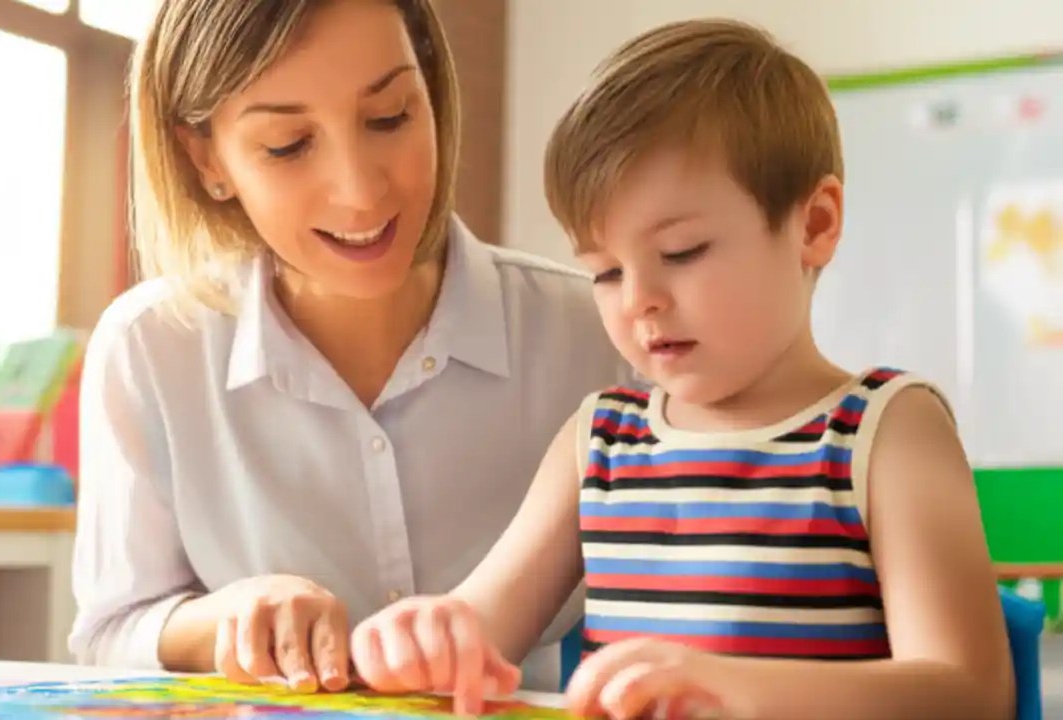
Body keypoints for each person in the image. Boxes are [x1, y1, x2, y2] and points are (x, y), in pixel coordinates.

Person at [351, 19, 1015, 720]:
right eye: (606, 272)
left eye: (682, 252)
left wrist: (734, 689)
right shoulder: (598, 442)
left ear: (815, 225)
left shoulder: (886, 433)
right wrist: (425, 639)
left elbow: (970, 695)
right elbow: (480, 627)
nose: (638, 299)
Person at [68, 0, 628, 695]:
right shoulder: (150, 349)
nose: (361, 192)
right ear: (205, 156)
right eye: (288, 145)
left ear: (431, 94)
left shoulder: (600, 332)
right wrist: (231, 618)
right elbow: (110, 631)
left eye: (389, 117)